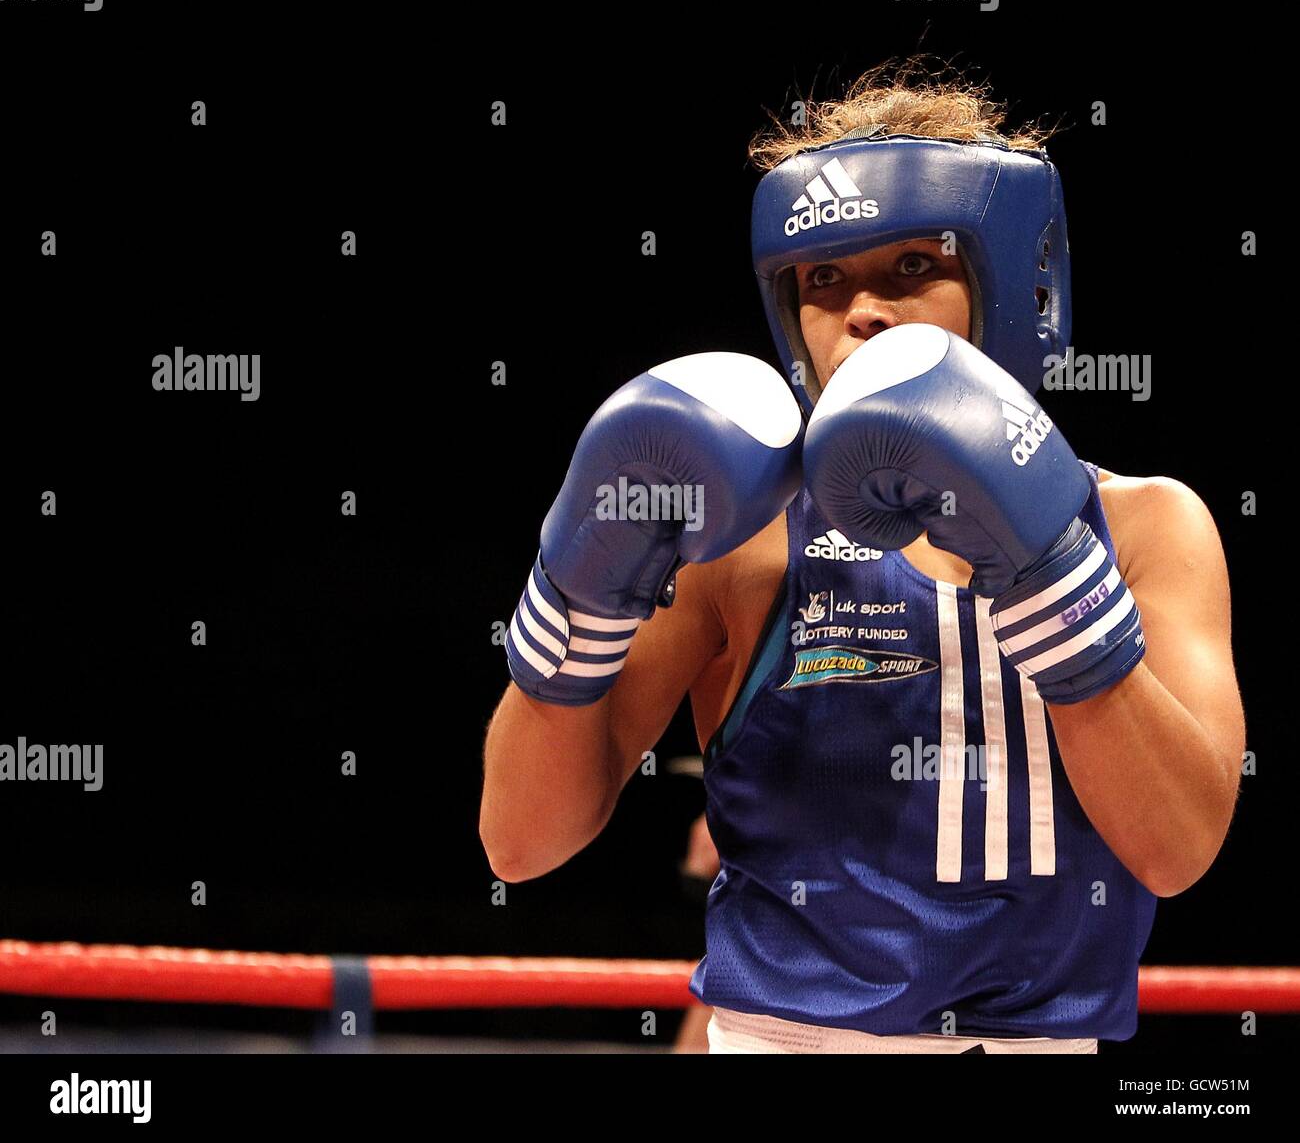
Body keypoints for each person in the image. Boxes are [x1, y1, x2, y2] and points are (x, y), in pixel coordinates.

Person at [481, 62, 1246, 1054]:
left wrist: (1044, 568)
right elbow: (521, 841)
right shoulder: (744, 541)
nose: (863, 311)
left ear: (1010, 282)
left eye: (912, 268)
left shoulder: (1147, 526)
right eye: (824, 279)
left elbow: (1177, 848)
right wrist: (580, 581)